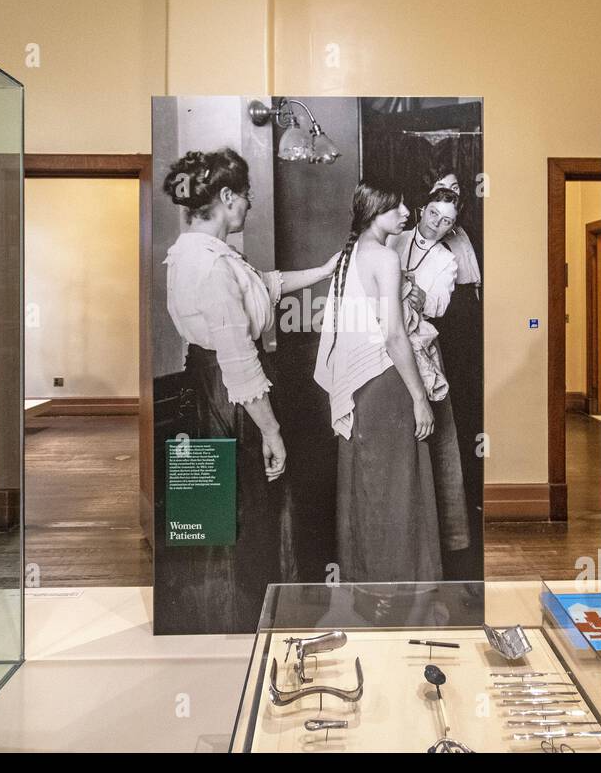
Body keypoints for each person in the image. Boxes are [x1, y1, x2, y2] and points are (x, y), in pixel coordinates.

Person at [161, 147, 339, 632]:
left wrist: (324, 273)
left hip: (211, 386)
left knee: (228, 513)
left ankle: (248, 618)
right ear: (225, 197)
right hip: (231, 396)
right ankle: (253, 623)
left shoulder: (196, 253)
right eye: (245, 196)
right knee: (251, 512)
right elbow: (239, 361)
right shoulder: (211, 266)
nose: (250, 204)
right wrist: (272, 430)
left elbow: (264, 285)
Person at [314, 182, 447, 583]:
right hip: (387, 381)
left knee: (369, 486)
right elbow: (392, 335)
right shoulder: (384, 258)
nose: (408, 212)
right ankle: (400, 590)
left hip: (360, 387)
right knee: (397, 490)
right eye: (399, 205)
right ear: (376, 208)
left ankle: (369, 587)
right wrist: (420, 399)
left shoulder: (350, 255)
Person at [391, 181, 473, 563]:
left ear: (452, 228)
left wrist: (406, 288)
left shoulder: (447, 260)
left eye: (447, 222)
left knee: (435, 436)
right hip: (386, 338)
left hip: (421, 340)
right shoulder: (395, 236)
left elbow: (436, 307)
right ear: (422, 210)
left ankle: (438, 538)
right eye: (434, 215)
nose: (437, 225)